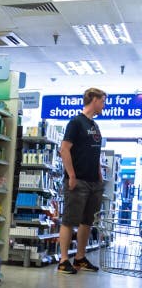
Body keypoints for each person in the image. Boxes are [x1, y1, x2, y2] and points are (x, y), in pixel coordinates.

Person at [57, 87, 106, 274]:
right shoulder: (76, 122)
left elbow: (95, 153)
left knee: (87, 221)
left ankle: (80, 257)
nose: (104, 105)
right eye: (102, 101)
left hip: (94, 182)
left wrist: (99, 175)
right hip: (78, 181)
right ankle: (63, 260)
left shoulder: (94, 125)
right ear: (93, 99)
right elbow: (65, 149)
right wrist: (71, 175)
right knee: (69, 220)